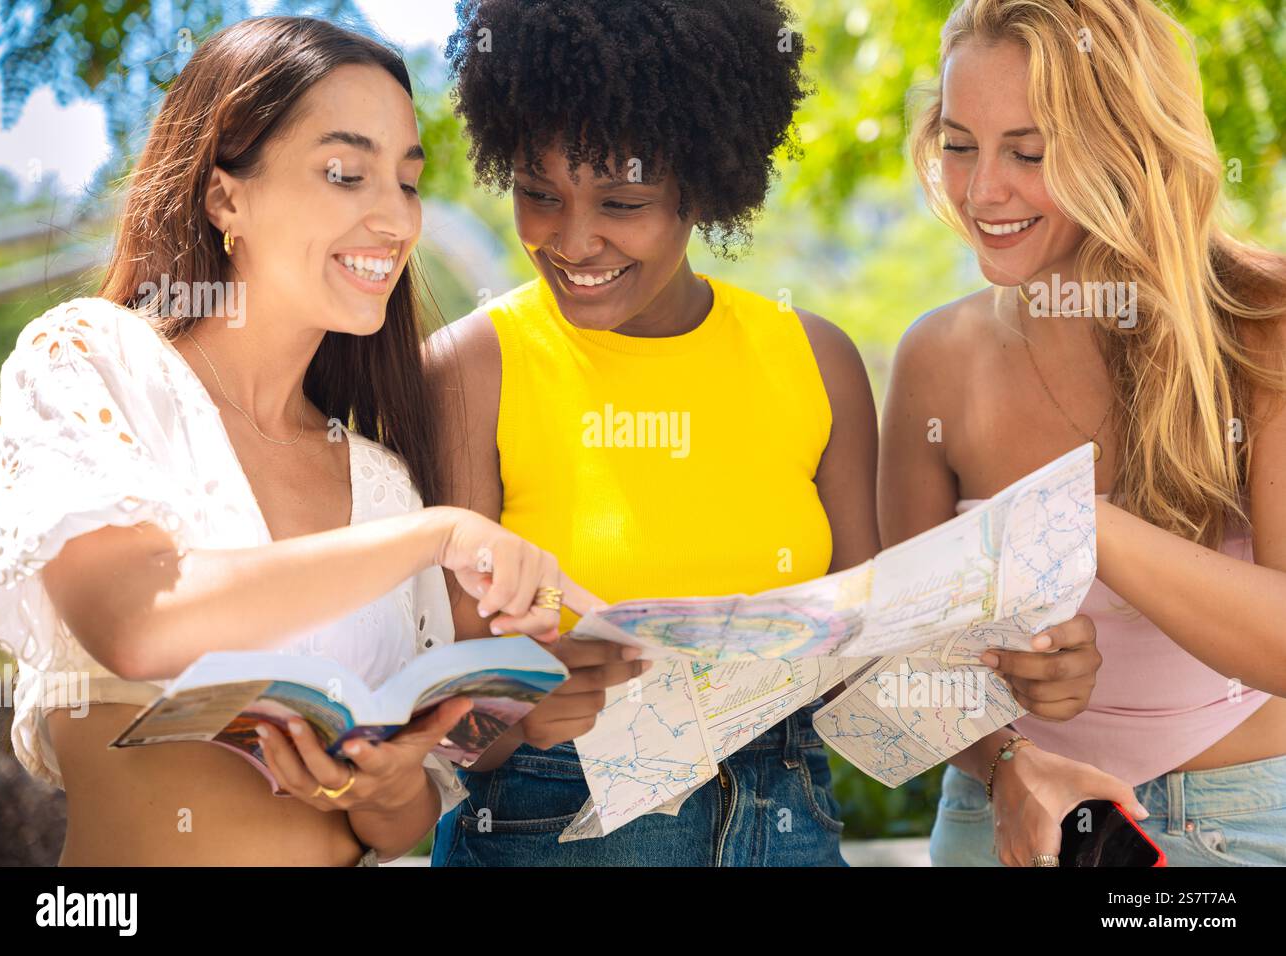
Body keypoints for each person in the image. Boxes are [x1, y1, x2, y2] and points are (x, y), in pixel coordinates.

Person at [428, 0, 1101, 866]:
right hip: (556, 823)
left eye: (623, 202)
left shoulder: (814, 359)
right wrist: (529, 709)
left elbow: (869, 660)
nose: (574, 239)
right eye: (537, 195)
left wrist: (1015, 708)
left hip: (785, 817)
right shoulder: (470, 366)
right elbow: (439, 711)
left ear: (703, 187)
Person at [0, 16, 613, 866]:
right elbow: (138, 622)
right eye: (346, 173)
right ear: (224, 195)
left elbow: (407, 827)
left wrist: (387, 787)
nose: (394, 220)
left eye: (408, 182)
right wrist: (435, 536)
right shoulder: (94, 364)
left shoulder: (381, 481)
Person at [884, 0, 1286, 866]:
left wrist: (1079, 523)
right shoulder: (936, 359)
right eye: (959, 145)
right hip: (1009, 822)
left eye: (1029, 152)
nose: (982, 189)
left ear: (1130, 149)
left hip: (1244, 824)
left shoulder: (1265, 327)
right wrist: (1008, 755)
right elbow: (904, 672)